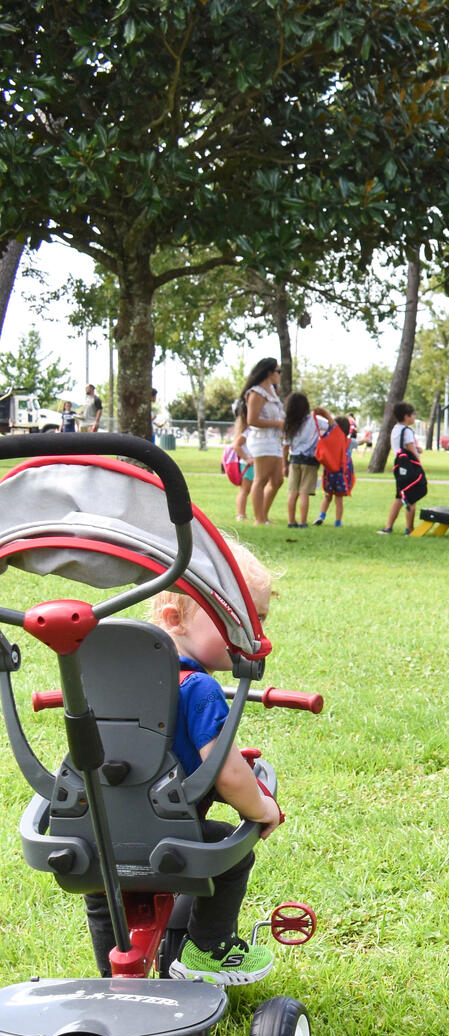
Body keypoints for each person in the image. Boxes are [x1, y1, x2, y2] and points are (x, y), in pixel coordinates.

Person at [87, 538, 283, 983]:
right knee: (230, 854)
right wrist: (263, 809)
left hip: (95, 830)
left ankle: (113, 979)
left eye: (259, 622)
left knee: (104, 891)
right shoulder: (200, 688)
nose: (252, 638)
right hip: (167, 828)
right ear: (174, 619)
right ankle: (208, 950)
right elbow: (229, 775)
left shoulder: (106, 682)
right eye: (233, 622)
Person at [239, 360, 287, 525]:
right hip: (262, 440)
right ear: (269, 372)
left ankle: (264, 515)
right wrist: (277, 424)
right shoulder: (257, 392)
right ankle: (259, 519)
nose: (280, 375)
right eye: (278, 371)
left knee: (277, 480)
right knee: (261, 479)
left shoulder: (273, 392)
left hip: (275, 440)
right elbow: (252, 419)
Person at [282, 392, 333, 529]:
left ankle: (291, 521)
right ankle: (303, 522)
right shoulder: (314, 420)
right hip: (310, 460)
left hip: (294, 460)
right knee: (304, 493)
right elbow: (332, 426)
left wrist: (284, 464)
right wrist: (324, 413)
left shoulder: (289, 422)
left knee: (293, 492)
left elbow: (286, 447)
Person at [380, 402, 428, 535]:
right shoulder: (407, 431)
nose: (414, 417)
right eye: (413, 415)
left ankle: (388, 526)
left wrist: (416, 448)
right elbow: (411, 449)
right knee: (411, 498)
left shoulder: (396, 429)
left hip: (400, 466)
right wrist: (419, 463)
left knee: (399, 497)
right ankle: (409, 528)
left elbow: (401, 446)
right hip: (410, 467)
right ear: (407, 416)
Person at [316, 415, 356, 527]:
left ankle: (321, 515)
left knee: (327, 496)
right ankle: (338, 522)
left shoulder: (331, 441)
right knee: (339, 500)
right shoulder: (350, 442)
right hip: (341, 476)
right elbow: (358, 442)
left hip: (330, 473)